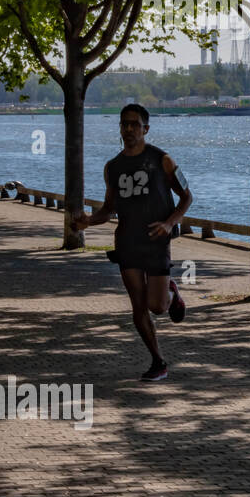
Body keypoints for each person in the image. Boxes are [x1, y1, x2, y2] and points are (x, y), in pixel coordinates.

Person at [73, 104, 193, 381]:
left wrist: (169, 223)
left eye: (134, 124)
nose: (128, 129)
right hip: (127, 241)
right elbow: (108, 209)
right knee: (138, 306)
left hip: (156, 240)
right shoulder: (112, 167)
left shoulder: (163, 160)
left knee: (157, 307)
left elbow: (187, 197)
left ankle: (172, 295)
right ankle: (158, 361)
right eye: (124, 124)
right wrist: (88, 221)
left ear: (145, 129)